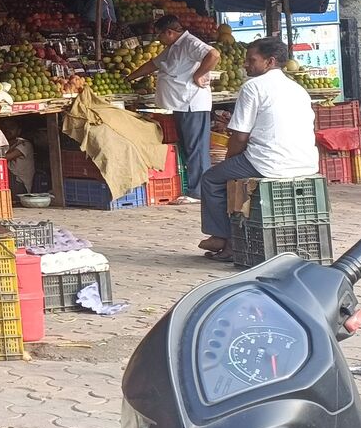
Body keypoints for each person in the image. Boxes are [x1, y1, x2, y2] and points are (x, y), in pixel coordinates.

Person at [195, 38, 318, 261]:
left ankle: (223, 238)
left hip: (268, 162)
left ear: (270, 62)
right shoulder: (299, 90)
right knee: (231, 174)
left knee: (212, 179)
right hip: (306, 162)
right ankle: (227, 239)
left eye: (252, 60)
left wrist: (229, 160)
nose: (246, 65)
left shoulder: (253, 87)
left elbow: (239, 136)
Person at [130, 14, 219, 204]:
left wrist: (199, 74)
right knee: (188, 147)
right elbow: (152, 64)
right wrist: (129, 78)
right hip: (181, 105)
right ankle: (192, 188)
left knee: (196, 148)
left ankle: (198, 193)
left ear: (169, 32)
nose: (159, 39)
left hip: (192, 104)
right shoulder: (174, 48)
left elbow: (214, 55)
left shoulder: (190, 43)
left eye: (160, 35)